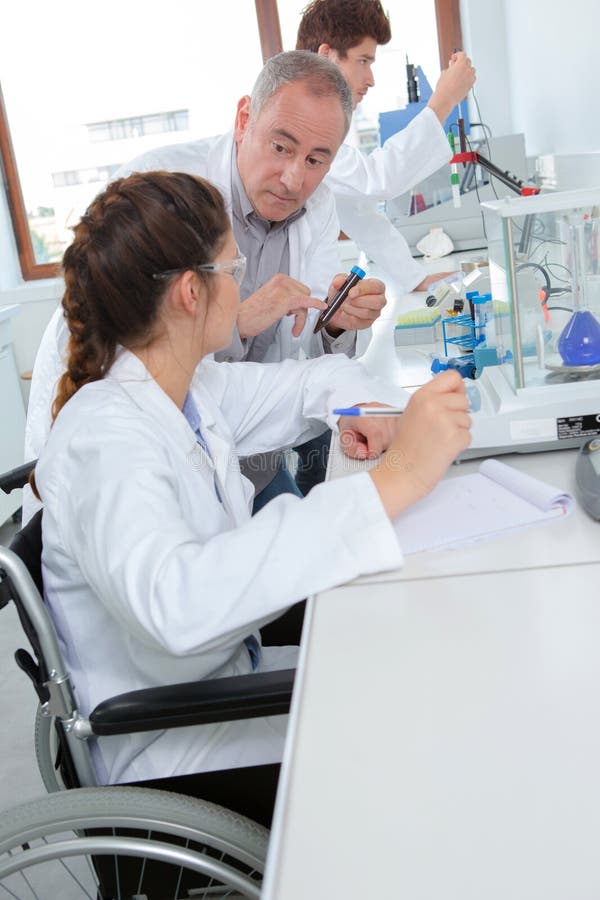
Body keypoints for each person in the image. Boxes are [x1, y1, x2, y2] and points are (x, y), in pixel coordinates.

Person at [34, 169, 471, 792]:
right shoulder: (105, 439)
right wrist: (393, 482)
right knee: (411, 735)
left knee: (413, 672)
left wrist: (372, 414)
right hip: (178, 745)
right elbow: (179, 605)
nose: (240, 289)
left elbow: (310, 384)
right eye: (232, 273)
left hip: (227, 680)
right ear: (192, 292)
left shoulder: (188, 388)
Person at [24, 51, 387, 512]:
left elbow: (312, 363)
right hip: (151, 453)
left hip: (232, 447)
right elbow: (126, 336)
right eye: (281, 147)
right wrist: (240, 320)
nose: (295, 178)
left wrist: (338, 324)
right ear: (244, 119)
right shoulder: (164, 194)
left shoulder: (213, 392)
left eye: (317, 160)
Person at [296, 0, 477, 293]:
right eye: (363, 61)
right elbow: (377, 180)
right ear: (327, 56)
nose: (370, 80)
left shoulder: (321, 128)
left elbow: (358, 210)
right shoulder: (299, 126)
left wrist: (414, 278)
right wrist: (443, 101)